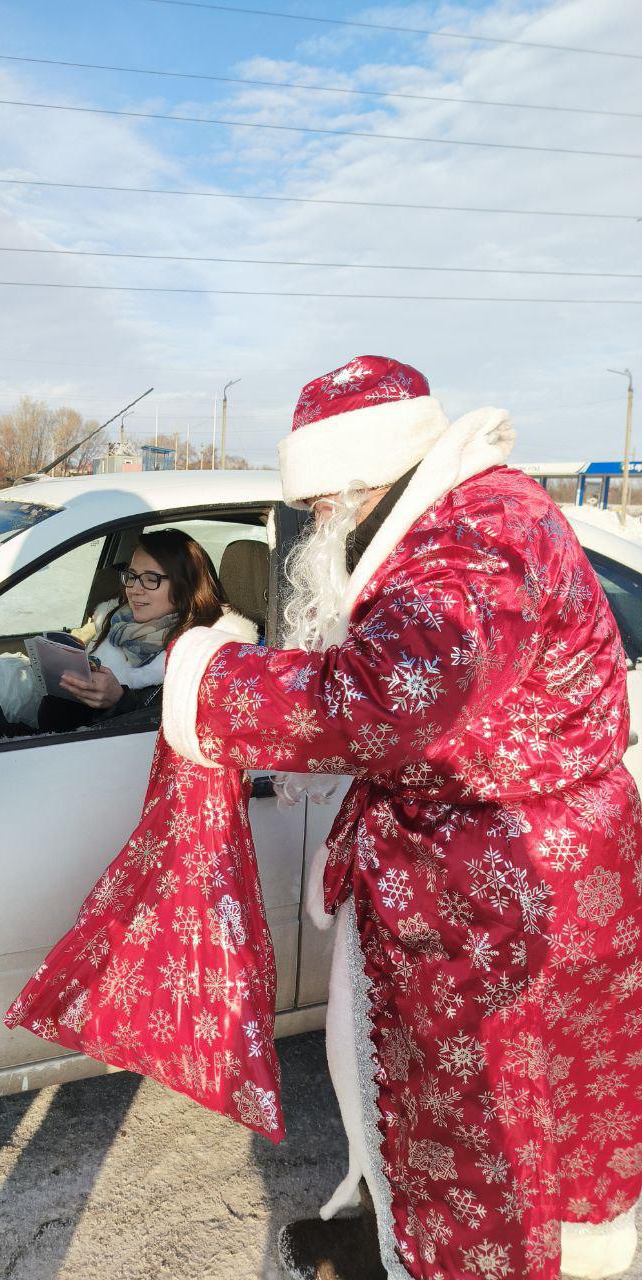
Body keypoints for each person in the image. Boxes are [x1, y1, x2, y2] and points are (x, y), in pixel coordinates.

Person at [160, 355, 642, 1280]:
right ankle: (408, 1231)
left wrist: (203, 680)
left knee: (470, 1117)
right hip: (514, 870)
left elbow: (383, 695)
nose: (321, 524)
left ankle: (458, 1259)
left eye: (326, 505)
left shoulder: (471, 547)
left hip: (496, 897)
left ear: (360, 480)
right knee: (496, 1099)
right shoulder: (468, 518)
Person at [0, 528, 240, 731]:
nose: (135, 589)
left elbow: (175, 728)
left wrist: (119, 700)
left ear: (186, 585)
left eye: (151, 579)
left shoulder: (206, 655)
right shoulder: (117, 623)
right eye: (132, 576)